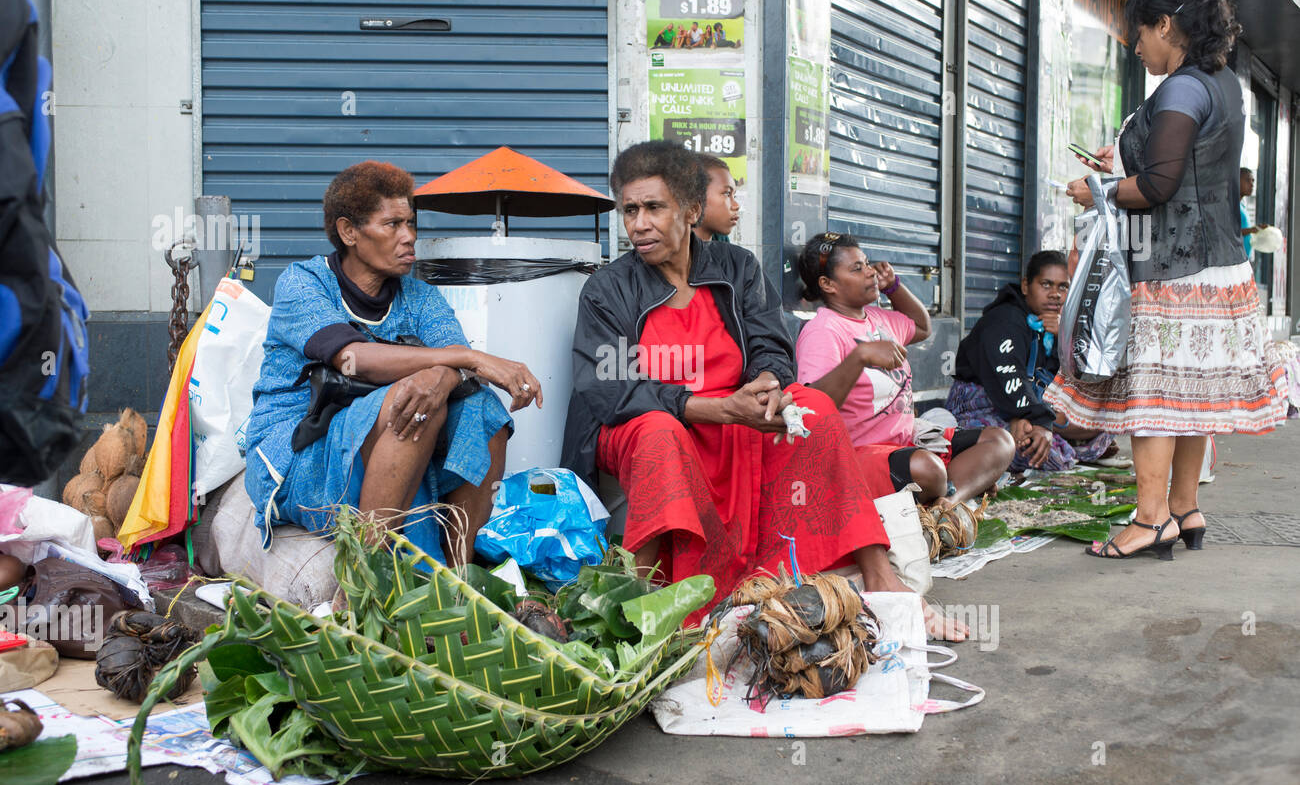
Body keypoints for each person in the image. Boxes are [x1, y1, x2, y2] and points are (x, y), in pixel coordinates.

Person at [561, 142, 967, 639]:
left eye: (653, 207)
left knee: (814, 407)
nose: (638, 224)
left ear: (690, 211)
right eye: (629, 210)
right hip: (654, 424)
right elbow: (609, 392)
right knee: (659, 432)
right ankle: (649, 600)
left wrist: (769, 384)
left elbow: (773, 345)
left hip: (738, 418)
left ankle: (881, 579)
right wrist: (714, 409)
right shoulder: (609, 289)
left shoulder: (737, 268)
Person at [1056, 0, 1286, 560]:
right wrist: (1125, 159)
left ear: (1166, 26)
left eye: (1139, 32)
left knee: (1154, 399)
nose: (1135, 46)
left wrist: (1099, 190)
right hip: (1220, 269)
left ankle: (1150, 518)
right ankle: (1186, 509)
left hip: (1174, 269)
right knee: (1189, 399)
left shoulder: (1181, 89)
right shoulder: (1223, 84)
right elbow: (1184, 166)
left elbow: (1158, 185)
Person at [244, 161, 542, 567]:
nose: (410, 237)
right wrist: (469, 358)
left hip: (389, 443)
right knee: (414, 397)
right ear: (349, 232)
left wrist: (445, 372)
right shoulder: (304, 282)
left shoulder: (419, 298)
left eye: (412, 223)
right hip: (302, 452)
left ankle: (460, 571)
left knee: (481, 407)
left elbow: (449, 357)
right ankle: (363, 574)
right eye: (393, 225)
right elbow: (353, 358)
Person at [794, 233, 1014, 506]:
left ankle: (948, 504)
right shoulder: (823, 330)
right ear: (828, 284)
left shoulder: (876, 317)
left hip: (906, 441)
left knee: (1000, 441)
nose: (870, 271)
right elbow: (812, 411)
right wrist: (860, 356)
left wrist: (893, 287)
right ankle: (956, 490)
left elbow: (922, 326)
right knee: (929, 470)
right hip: (859, 454)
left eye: (867, 263)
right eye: (857, 268)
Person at [947, 251, 1116, 471]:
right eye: (1046, 284)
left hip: (1029, 405)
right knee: (1042, 454)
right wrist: (1032, 418)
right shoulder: (1004, 321)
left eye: (1062, 287)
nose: (1055, 294)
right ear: (1026, 286)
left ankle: (1055, 436)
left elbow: (1083, 379)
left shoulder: (1060, 324)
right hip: (985, 404)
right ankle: (1060, 441)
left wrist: (1064, 338)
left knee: (1104, 417)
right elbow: (1007, 379)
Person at [691, 153, 739, 243]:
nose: (736, 205)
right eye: (727, 193)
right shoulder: (666, 251)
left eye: (734, 196)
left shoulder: (722, 242)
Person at [1239, 167, 1269, 262]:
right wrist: (1252, 230)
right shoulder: (1231, 206)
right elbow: (1228, 233)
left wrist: (1256, 229)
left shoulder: (1242, 206)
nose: (1252, 185)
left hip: (1243, 260)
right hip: (1235, 263)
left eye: (1253, 181)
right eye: (1247, 180)